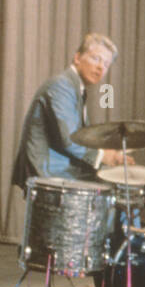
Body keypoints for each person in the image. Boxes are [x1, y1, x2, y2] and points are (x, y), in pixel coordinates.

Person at [11, 33, 131, 188]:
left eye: (106, 64)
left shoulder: (76, 88)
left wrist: (108, 154)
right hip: (49, 172)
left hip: (60, 169)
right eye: (96, 58)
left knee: (116, 184)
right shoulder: (62, 86)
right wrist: (102, 156)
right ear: (77, 58)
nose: (101, 67)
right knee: (116, 188)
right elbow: (70, 139)